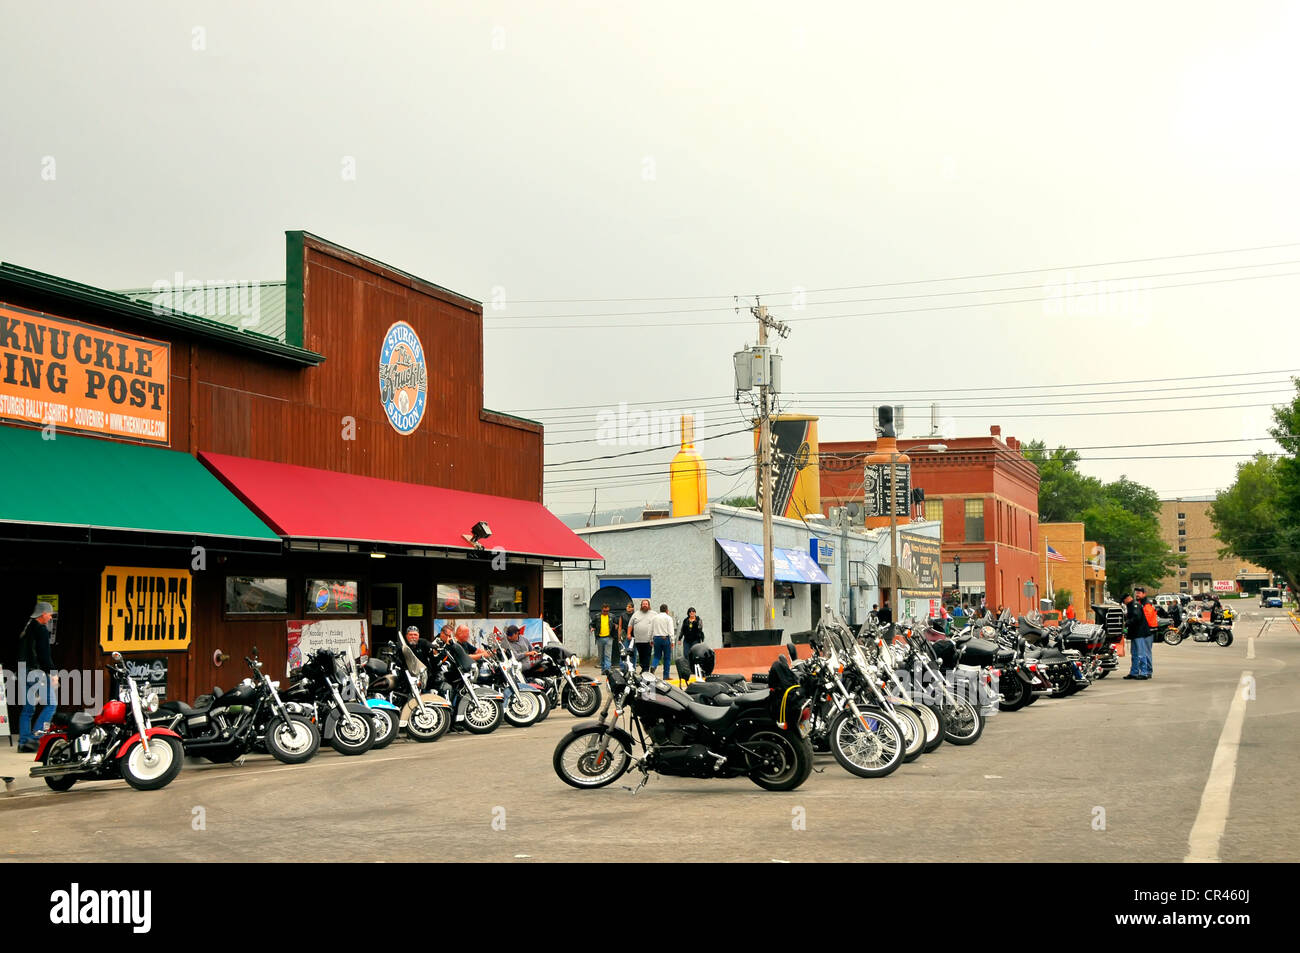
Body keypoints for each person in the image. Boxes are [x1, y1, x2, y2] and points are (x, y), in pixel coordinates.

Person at [17, 601, 57, 753]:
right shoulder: (40, 630)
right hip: (35, 671)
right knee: (51, 704)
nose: (50, 617)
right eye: (49, 614)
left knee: (28, 708)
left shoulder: (26, 628)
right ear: (43, 614)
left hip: (23, 670)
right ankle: (35, 739)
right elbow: (44, 655)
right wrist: (53, 673)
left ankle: (23, 742)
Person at [1124, 588, 1153, 680]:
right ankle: (1135, 672)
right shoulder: (1135, 604)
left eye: (1139, 593)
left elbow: (1138, 617)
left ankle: (1145, 672)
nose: (1137, 594)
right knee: (1136, 653)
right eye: (1136, 593)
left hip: (1142, 632)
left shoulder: (1139, 605)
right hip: (1137, 632)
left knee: (1142, 653)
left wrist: (1127, 623)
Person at [628, 599, 657, 671]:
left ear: (649, 605)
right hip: (638, 640)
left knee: (647, 655)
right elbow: (630, 625)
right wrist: (628, 633)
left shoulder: (654, 614)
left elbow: (658, 623)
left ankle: (645, 670)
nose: (644, 605)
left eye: (646, 604)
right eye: (643, 604)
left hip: (649, 640)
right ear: (641, 605)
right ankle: (643, 668)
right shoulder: (636, 614)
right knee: (641, 656)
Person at [589, 605, 617, 674]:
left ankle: (607, 669)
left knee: (608, 655)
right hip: (600, 638)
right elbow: (591, 624)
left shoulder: (612, 616)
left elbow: (616, 623)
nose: (606, 612)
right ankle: (603, 669)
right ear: (601, 610)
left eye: (607, 611)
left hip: (609, 637)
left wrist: (616, 626)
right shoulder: (597, 616)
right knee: (601, 656)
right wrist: (592, 628)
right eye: (604, 611)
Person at [650, 603, 675, 680]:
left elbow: (651, 629)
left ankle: (653, 666)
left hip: (656, 638)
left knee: (657, 656)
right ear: (667, 610)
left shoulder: (654, 618)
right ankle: (666, 676)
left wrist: (651, 639)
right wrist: (672, 641)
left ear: (660, 610)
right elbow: (671, 631)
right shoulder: (668, 618)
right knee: (667, 658)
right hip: (665, 638)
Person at [618, 601, 635, 671]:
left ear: (632, 608)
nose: (627, 608)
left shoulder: (635, 615)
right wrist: (619, 637)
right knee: (623, 652)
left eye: (629, 607)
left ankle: (632, 668)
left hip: (634, 636)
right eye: (627, 607)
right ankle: (623, 668)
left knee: (633, 652)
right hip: (625, 636)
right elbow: (620, 626)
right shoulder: (622, 615)